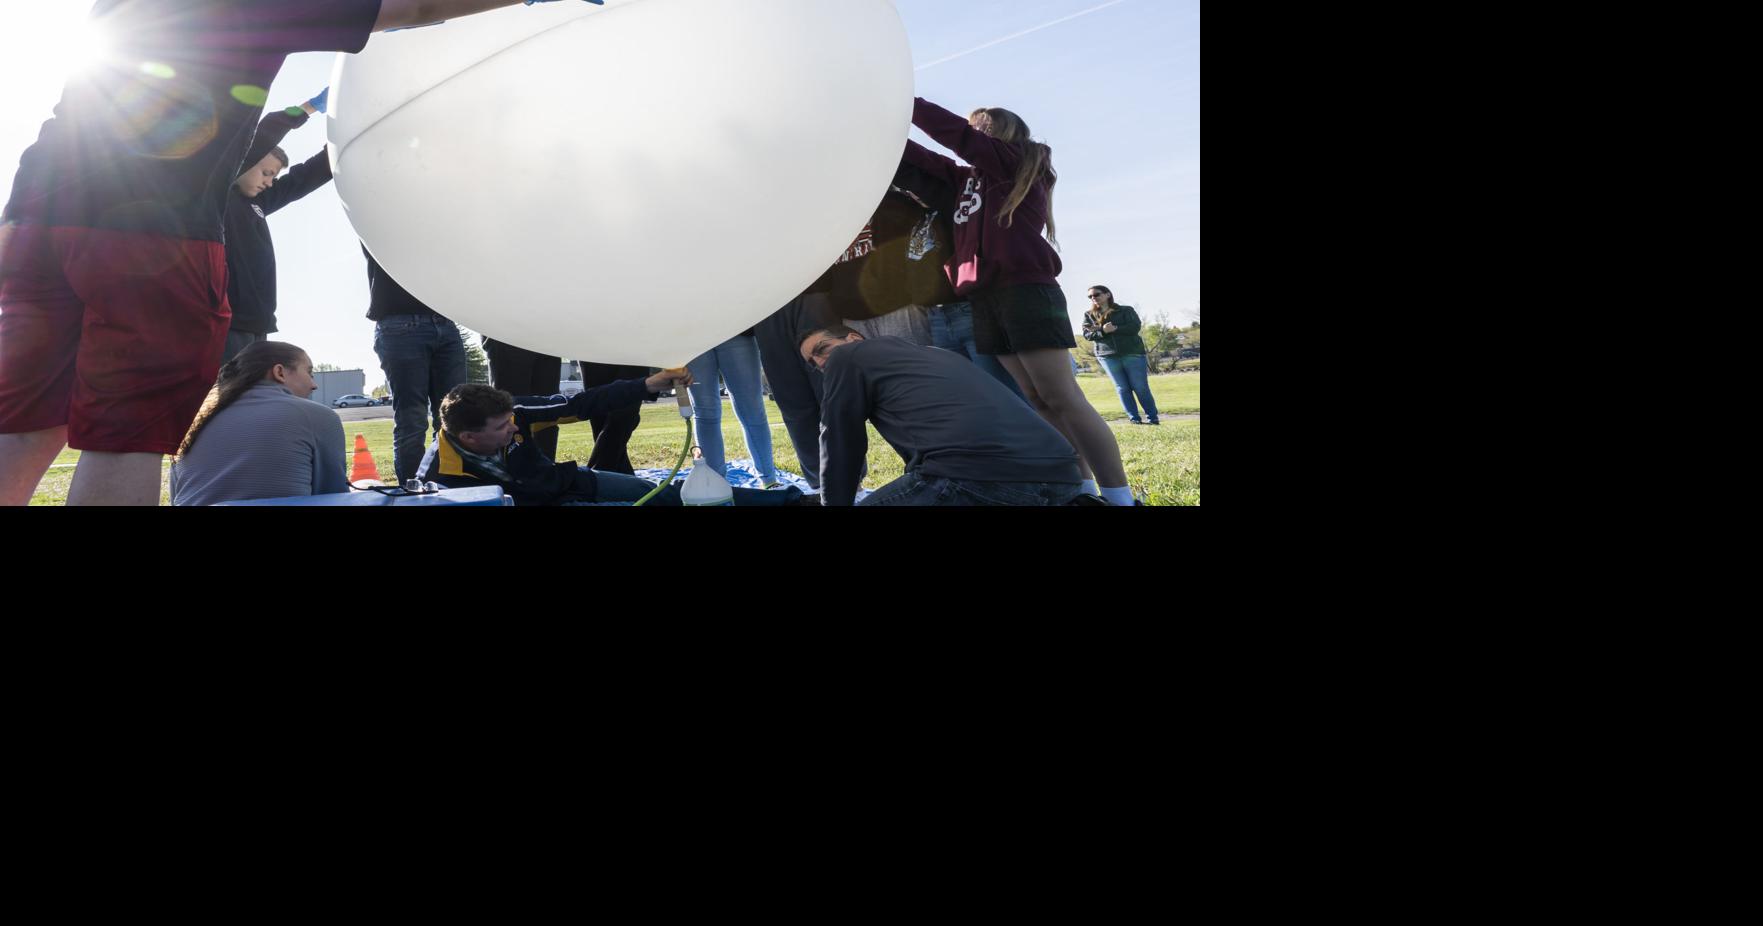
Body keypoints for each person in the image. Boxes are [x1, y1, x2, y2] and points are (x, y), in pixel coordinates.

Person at [0, 0, 605, 507]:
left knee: (24, 423)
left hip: (31, 221)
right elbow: (413, 6)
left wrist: (309, 111)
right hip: (153, 236)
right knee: (124, 438)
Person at [903, 97, 1136, 506]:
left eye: (977, 129)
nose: (969, 135)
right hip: (985, 297)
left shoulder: (1021, 161)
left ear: (1001, 133)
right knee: (1036, 400)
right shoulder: (965, 181)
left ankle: (1119, 498)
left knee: (1062, 397)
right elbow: (919, 160)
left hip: (1026, 290)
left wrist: (904, 100)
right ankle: (1078, 493)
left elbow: (955, 137)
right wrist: (877, 125)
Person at [800, 326, 1086, 507]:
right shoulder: (935, 354)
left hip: (979, 479)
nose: (821, 363)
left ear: (853, 337)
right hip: (1062, 477)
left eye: (821, 350)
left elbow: (838, 439)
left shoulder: (847, 356)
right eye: (813, 364)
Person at [417, 379, 806, 507]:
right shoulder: (441, 482)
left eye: (511, 421)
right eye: (502, 428)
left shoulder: (516, 415)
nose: (513, 429)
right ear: (468, 438)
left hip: (572, 481)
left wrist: (649, 385)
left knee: (667, 494)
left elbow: (583, 403)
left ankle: (794, 499)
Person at [222, 89, 334, 362]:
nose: (269, 182)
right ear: (245, 160)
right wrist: (308, 107)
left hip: (258, 325)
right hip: (227, 325)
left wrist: (340, 143)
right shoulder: (218, 196)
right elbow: (264, 133)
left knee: (253, 400)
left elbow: (304, 178)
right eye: (267, 172)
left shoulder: (259, 203)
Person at [170, 341, 346, 506]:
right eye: (309, 372)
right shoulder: (317, 416)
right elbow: (333, 495)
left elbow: (176, 497)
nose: (313, 384)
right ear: (280, 372)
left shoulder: (194, 421)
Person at [364, 249, 469, 486]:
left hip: (445, 320)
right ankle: (413, 491)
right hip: (399, 322)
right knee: (412, 419)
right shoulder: (383, 217)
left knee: (455, 416)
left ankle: (450, 486)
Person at [686, 329, 779, 487]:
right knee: (705, 412)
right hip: (692, 334)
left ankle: (769, 480)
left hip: (735, 330)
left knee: (753, 411)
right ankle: (715, 485)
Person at [1082, 285, 1159, 425]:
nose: (1093, 298)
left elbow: (1135, 327)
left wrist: (1115, 328)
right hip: (1107, 356)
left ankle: (1153, 419)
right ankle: (1134, 420)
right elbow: (1087, 335)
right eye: (1090, 297)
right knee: (1122, 388)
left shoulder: (1126, 310)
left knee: (1140, 387)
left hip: (1133, 354)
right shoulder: (1089, 315)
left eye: (1096, 294)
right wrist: (1103, 331)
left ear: (1107, 295)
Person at [482, 337, 562, 460]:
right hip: (508, 334)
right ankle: (509, 471)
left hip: (547, 334)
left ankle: (546, 470)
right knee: (508, 414)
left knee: (548, 414)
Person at [573, 360, 650, 474]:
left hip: (633, 348)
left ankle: (599, 474)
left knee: (623, 414)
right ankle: (613, 475)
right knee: (600, 418)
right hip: (593, 351)